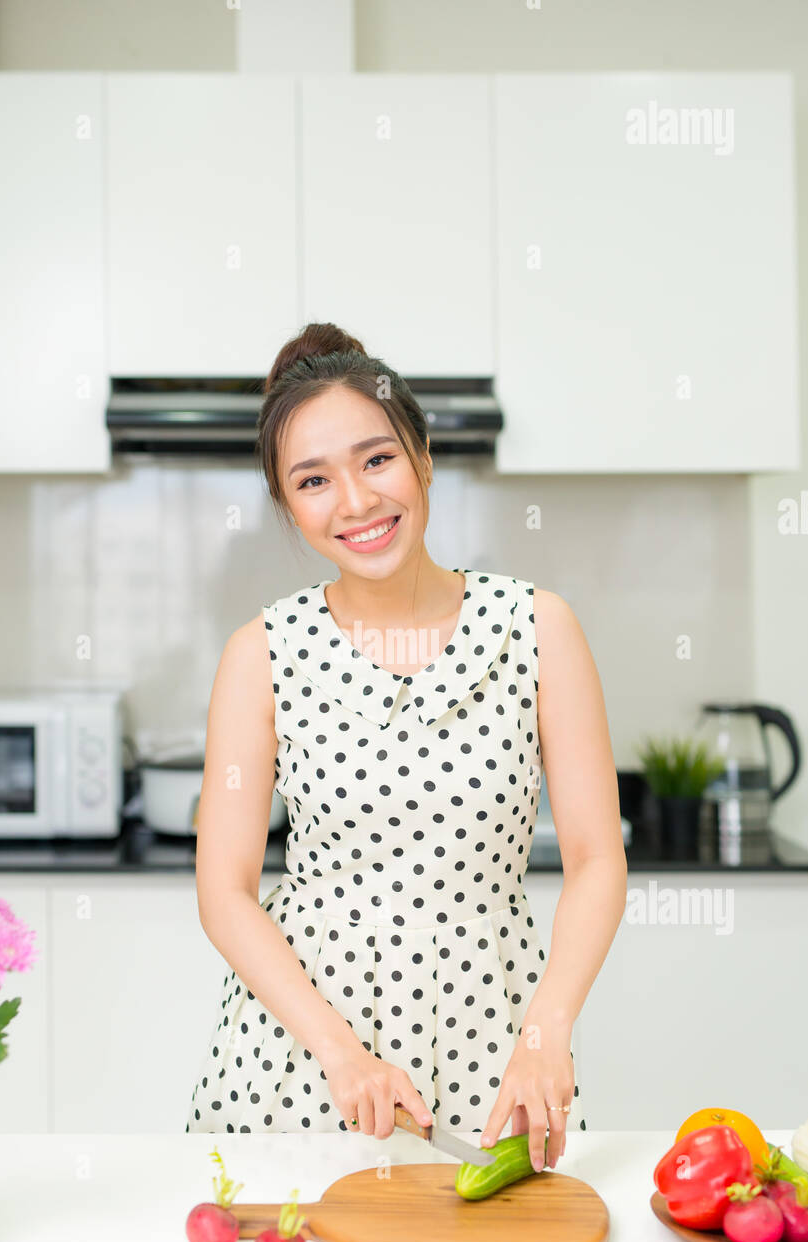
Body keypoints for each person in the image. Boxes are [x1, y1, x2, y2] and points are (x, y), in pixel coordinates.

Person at [186, 322, 627, 1173]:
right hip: (303, 1053)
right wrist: (338, 1053)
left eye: (375, 459)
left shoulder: (536, 628)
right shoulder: (260, 653)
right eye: (312, 479)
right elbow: (224, 890)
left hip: (497, 1041)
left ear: (422, 458)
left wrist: (545, 1034)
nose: (353, 501)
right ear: (288, 505)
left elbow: (595, 858)